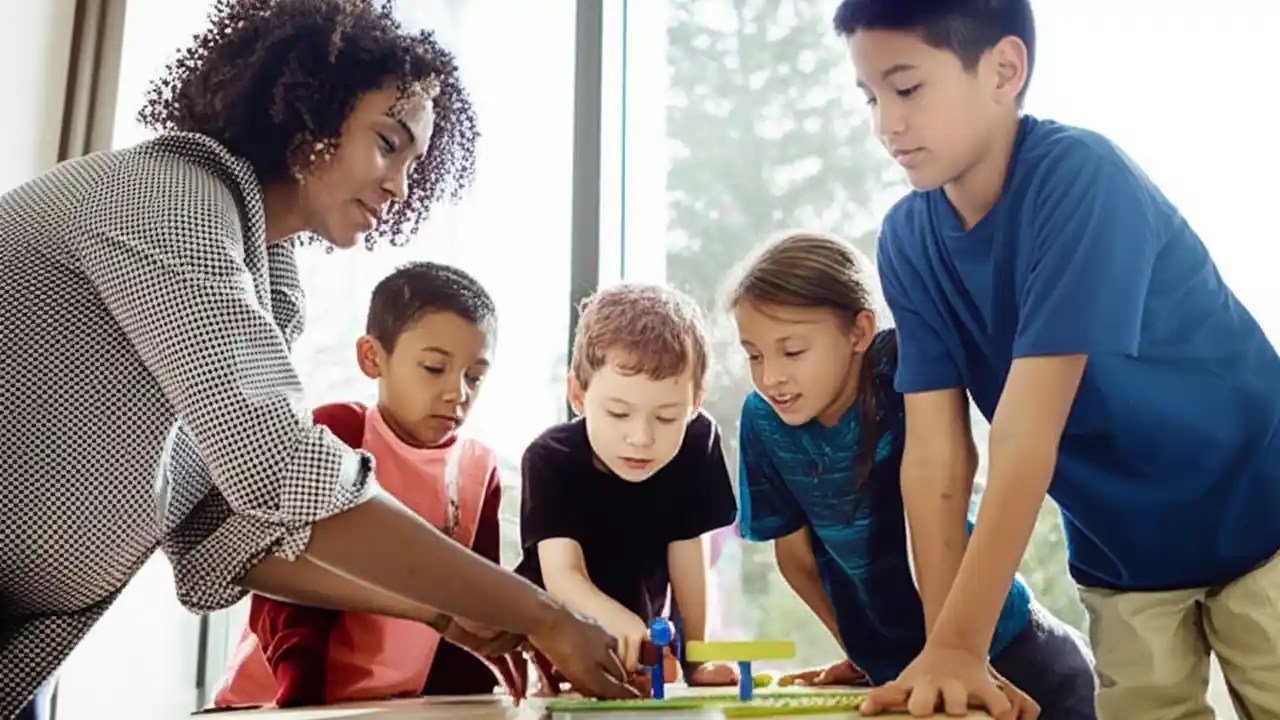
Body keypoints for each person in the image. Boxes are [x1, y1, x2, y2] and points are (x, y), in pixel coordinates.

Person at [0, 2, 633, 716]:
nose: (399, 185)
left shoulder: (268, 279)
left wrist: (432, 608)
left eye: (414, 162)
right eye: (388, 143)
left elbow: (225, 533)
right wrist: (546, 615)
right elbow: (283, 469)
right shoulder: (167, 199)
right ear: (309, 115)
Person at [832, 1, 1280, 718]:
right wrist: (948, 653)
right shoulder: (909, 241)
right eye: (870, 97)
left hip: (1260, 510)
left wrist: (963, 644)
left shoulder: (1081, 179)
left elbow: (1023, 431)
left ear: (1004, 69)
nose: (887, 123)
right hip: (1125, 553)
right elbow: (938, 461)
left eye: (907, 87)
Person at [728, 232, 1094, 719]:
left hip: (1014, 651)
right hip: (903, 672)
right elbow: (795, 557)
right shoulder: (762, 420)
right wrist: (865, 654)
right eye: (754, 355)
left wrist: (956, 653)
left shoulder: (902, 369)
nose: (771, 376)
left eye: (792, 351)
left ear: (859, 333)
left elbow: (946, 481)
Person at [214, 261, 515, 707]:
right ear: (373, 357)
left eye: (475, 376)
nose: (458, 393)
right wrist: (299, 696)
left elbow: (473, 609)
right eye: (435, 367)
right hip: (279, 704)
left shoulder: (479, 468)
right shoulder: (335, 432)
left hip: (393, 706)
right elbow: (287, 587)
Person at [514, 283, 740, 692]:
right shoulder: (550, 458)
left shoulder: (697, 441)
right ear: (578, 395)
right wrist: (615, 619)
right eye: (618, 413)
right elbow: (563, 574)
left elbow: (687, 551)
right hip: (557, 631)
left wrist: (699, 658)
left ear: (695, 404)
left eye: (668, 417)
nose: (641, 438)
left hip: (642, 626)